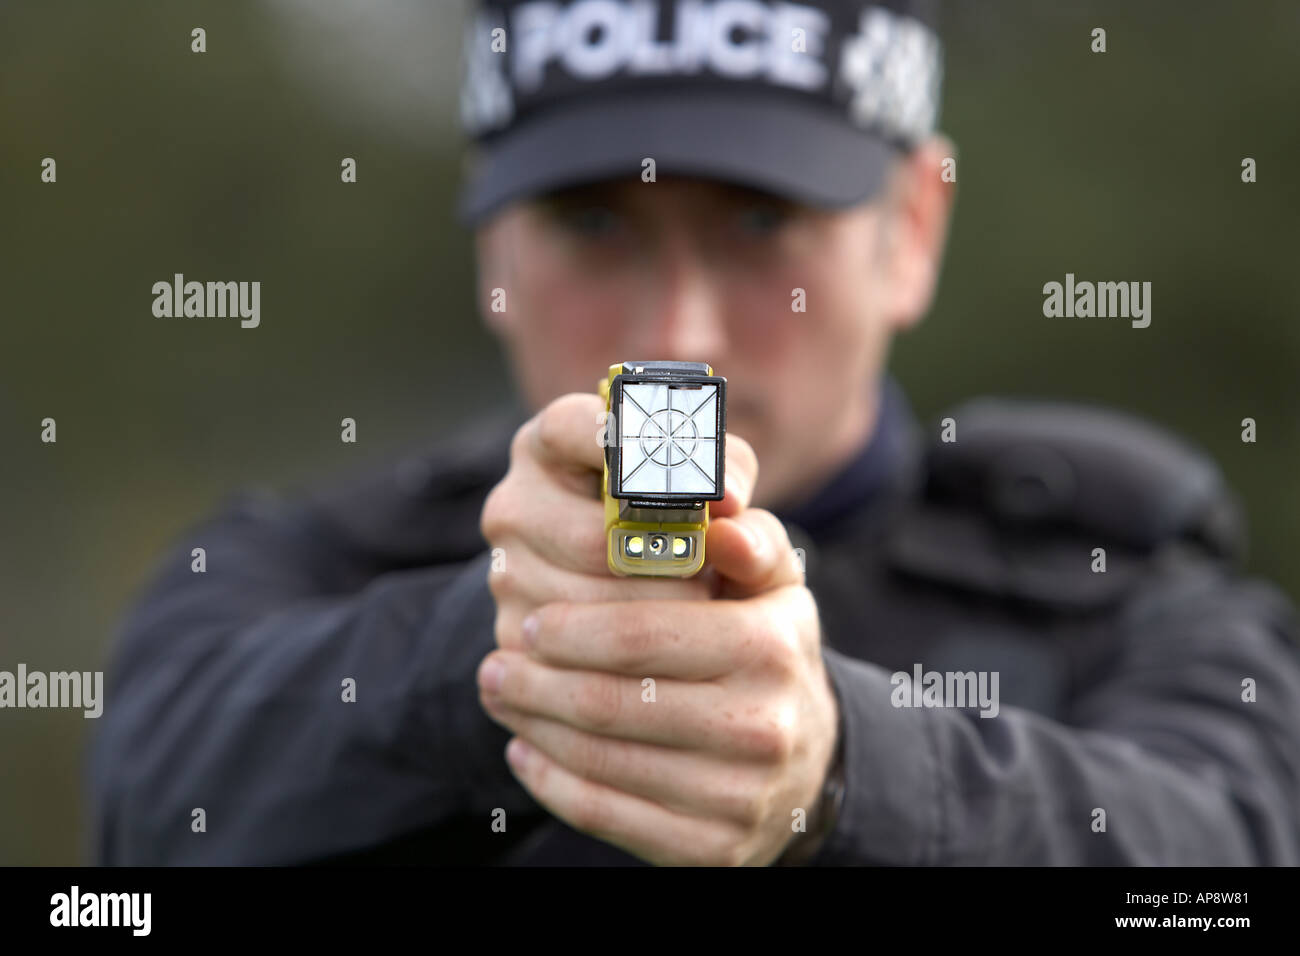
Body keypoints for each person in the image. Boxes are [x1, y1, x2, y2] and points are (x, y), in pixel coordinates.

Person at [89, 0, 1300, 866]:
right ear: (492, 247)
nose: (678, 335)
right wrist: (498, 650)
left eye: (762, 221)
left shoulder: (1123, 594)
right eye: (595, 226)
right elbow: (146, 819)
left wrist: (846, 774)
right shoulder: (306, 570)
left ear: (911, 231)